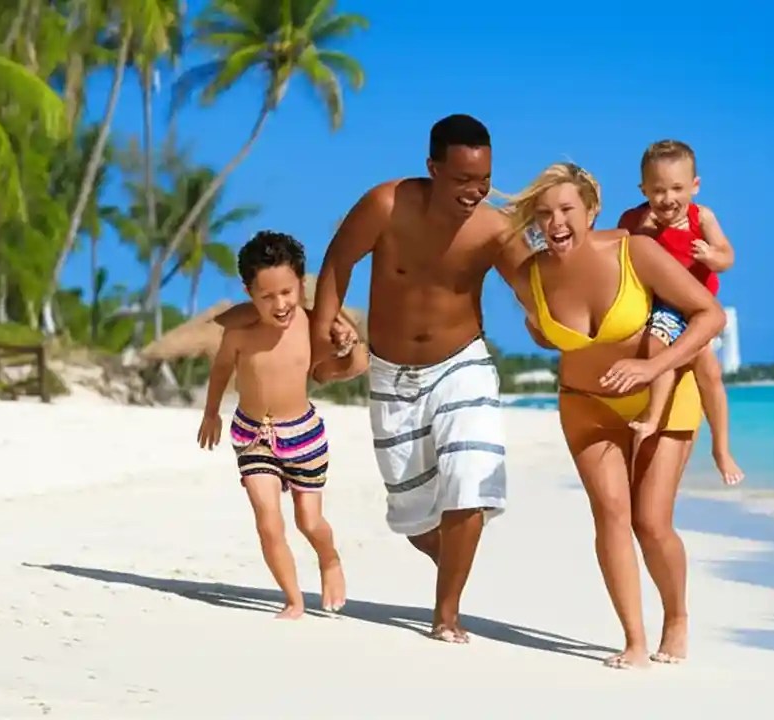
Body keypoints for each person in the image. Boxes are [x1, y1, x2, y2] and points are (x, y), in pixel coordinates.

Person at [214, 114, 535, 643]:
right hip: (393, 374)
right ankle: (456, 562)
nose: (474, 191)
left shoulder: (495, 230)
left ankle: (446, 614)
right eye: (461, 179)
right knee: (414, 520)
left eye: (484, 180)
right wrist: (323, 339)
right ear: (433, 168)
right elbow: (338, 263)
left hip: (463, 363)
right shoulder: (387, 204)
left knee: (470, 478)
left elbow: (540, 295)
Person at [502, 163, 725, 668]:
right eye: (544, 214)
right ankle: (634, 640)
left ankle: (676, 618)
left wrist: (654, 367)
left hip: (664, 396)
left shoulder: (635, 252)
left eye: (566, 210)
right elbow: (542, 332)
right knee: (610, 515)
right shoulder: (529, 276)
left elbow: (709, 315)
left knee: (651, 522)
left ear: (591, 211)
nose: (556, 223)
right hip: (586, 403)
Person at [197, 230, 368, 620]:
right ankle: (293, 598)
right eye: (267, 296)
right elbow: (221, 368)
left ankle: (329, 559)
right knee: (268, 521)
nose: (279, 304)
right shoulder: (238, 333)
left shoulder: (312, 326)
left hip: (304, 435)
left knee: (309, 521)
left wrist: (349, 342)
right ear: (249, 293)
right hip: (253, 435)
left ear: (301, 285)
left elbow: (352, 367)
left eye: (287, 292)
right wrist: (211, 412)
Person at [617, 139, 744, 485]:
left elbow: (728, 256)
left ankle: (721, 449)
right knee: (658, 345)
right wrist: (641, 234)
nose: (667, 198)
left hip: (698, 308)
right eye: (658, 190)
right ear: (644, 189)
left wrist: (711, 256)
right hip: (662, 305)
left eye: (677, 188)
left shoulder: (702, 218)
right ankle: (653, 416)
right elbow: (617, 256)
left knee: (711, 374)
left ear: (695, 186)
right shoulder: (634, 219)